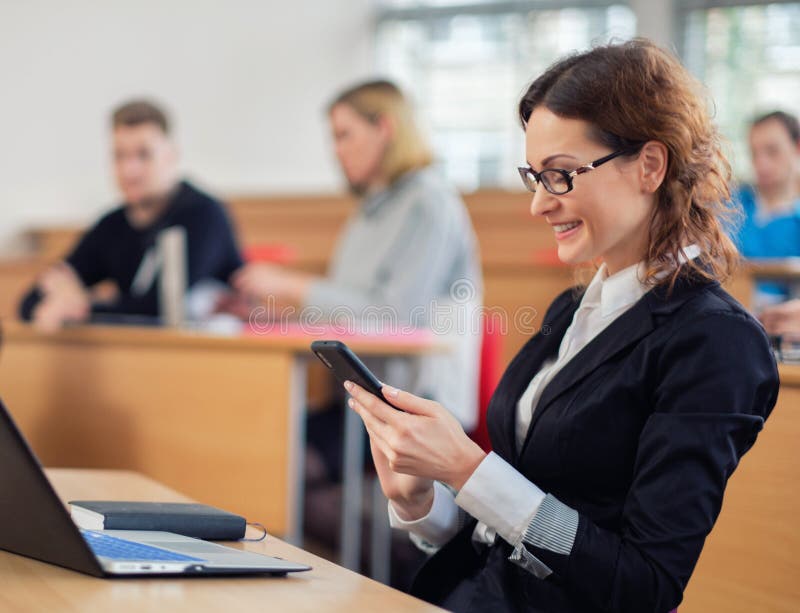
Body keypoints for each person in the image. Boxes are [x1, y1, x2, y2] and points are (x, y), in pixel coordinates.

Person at [343, 40, 779, 612]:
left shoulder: (715, 341)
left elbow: (644, 586)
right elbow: (507, 534)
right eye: (535, 177)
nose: (539, 205)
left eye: (562, 175)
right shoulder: (571, 312)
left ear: (650, 165)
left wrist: (468, 469)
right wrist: (422, 499)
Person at [234, 80, 482, 585]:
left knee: (281, 464)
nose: (336, 150)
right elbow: (345, 315)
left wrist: (293, 285)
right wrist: (273, 311)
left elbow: (393, 317)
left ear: (384, 129)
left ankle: (424, 577)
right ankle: (402, 572)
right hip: (366, 396)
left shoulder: (428, 204)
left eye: (345, 134)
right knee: (262, 451)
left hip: (419, 401)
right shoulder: (368, 212)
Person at [19, 100, 243, 330]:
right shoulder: (112, 225)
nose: (129, 170)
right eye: (119, 156)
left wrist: (83, 306)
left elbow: (160, 312)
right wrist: (64, 297)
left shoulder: (204, 216)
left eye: (143, 155)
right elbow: (33, 300)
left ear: (171, 156)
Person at [731, 110, 800, 307]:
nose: (761, 163)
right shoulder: (730, 205)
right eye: (754, 153)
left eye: (772, 151)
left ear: (797, 148)